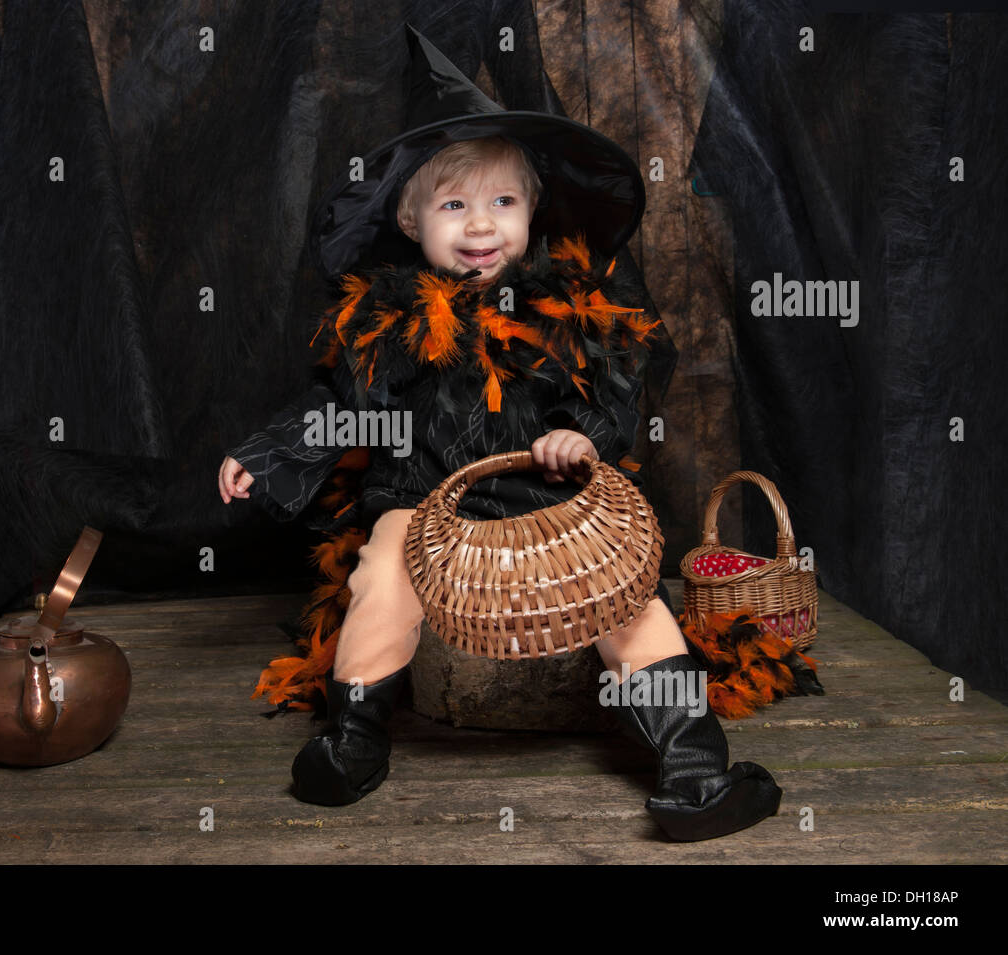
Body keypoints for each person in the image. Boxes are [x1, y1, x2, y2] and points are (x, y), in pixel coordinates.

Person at [217, 25, 781, 842]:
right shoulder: (390, 318)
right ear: (411, 222)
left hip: (545, 504)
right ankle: (355, 736)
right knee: (382, 568)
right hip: (425, 503)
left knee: (627, 591)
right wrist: (264, 455)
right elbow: (338, 403)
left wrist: (579, 439)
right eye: (454, 205)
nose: (481, 226)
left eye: (503, 203)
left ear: (532, 211)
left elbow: (616, 388)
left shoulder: (566, 305)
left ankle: (694, 765)